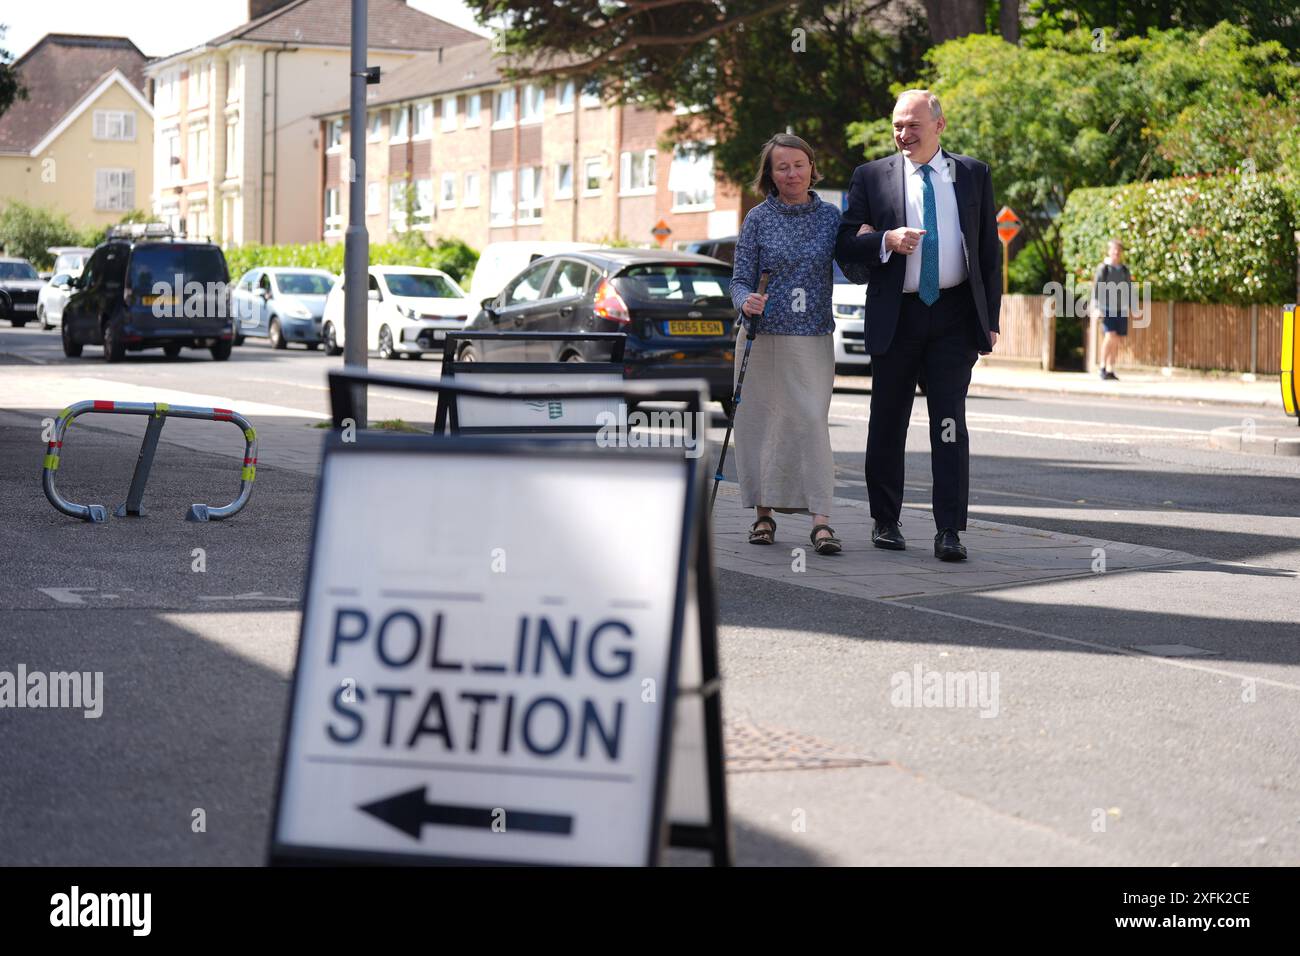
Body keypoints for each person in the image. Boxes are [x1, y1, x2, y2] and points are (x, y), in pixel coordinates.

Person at [834, 89, 1001, 562]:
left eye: (913, 126)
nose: (903, 135)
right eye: (897, 127)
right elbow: (846, 242)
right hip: (897, 315)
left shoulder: (972, 174)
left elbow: (989, 249)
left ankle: (949, 530)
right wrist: (885, 240)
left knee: (949, 424)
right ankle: (886, 521)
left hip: (953, 317)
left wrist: (990, 318)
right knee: (887, 423)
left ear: (939, 126)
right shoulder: (871, 176)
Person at [729, 133, 843, 556]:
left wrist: (875, 240)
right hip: (762, 337)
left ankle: (822, 521)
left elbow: (856, 266)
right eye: (782, 167)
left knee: (811, 422)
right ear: (770, 175)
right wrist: (746, 300)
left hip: (811, 336)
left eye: (799, 164)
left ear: (812, 168)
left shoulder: (831, 217)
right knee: (761, 424)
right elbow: (739, 278)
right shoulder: (757, 218)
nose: (792, 173)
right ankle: (763, 515)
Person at [1093, 239, 1132, 381]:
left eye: (1118, 250)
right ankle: (1102, 367)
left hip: (1121, 309)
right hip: (1106, 308)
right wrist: (1097, 307)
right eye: (1114, 250)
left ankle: (1110, 368)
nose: (1116, 253)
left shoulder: (1124, 270)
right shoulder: (1103, 269)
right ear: (1109, 251)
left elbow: (1128, 289)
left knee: (1117, 339)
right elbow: (1096, 289)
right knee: (1110, 336)